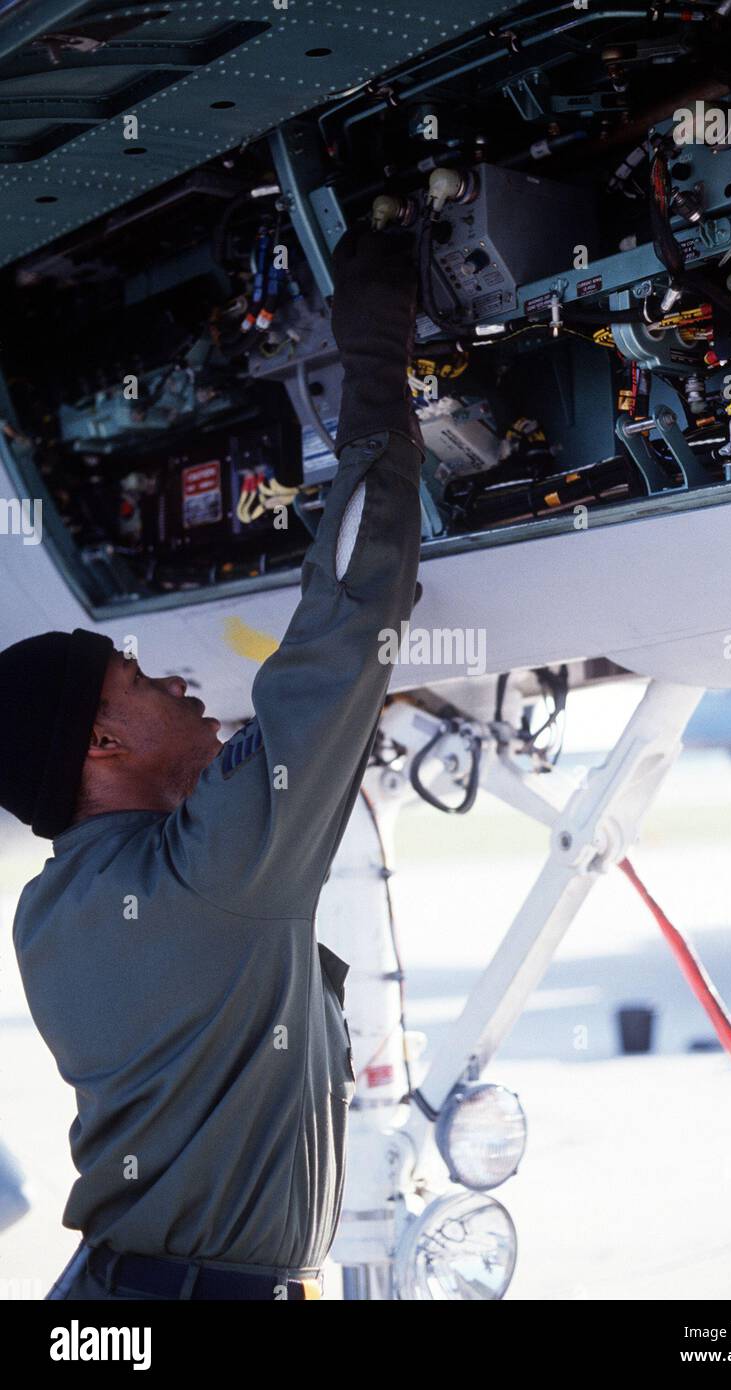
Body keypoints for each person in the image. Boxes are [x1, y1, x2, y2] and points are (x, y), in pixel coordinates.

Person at [0, 225, 424, 1301]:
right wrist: (374, 356)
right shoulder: (205, 878)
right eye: (140, 680)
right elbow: (346, 618)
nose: (182, 685)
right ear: (100, 742)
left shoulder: (54, 910)